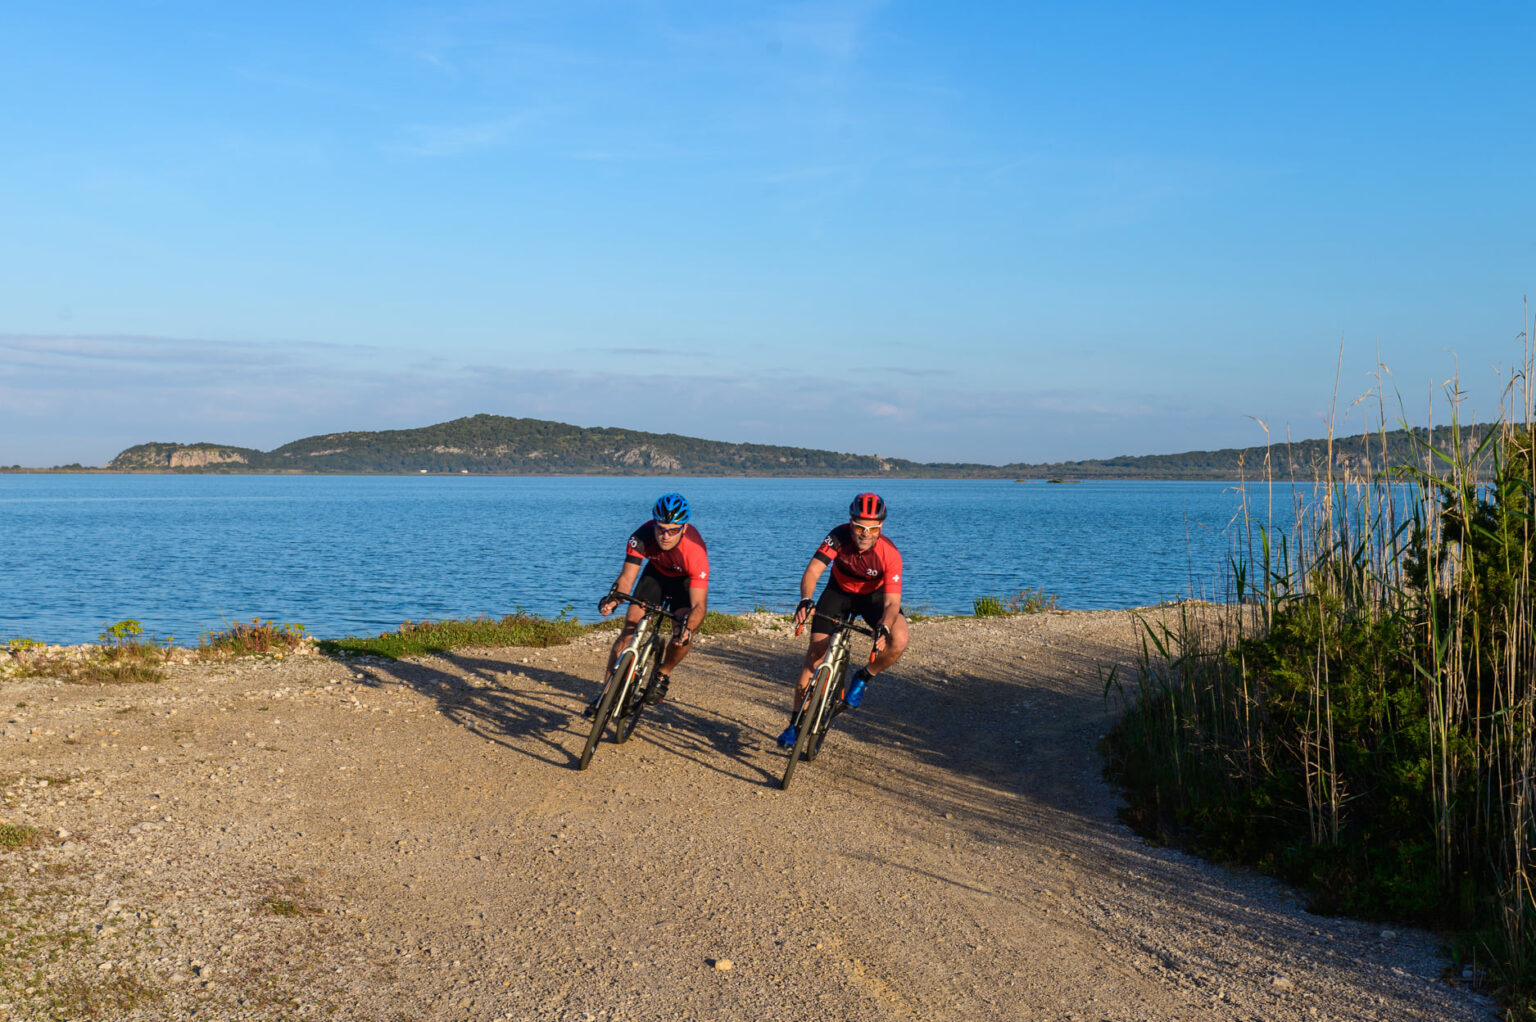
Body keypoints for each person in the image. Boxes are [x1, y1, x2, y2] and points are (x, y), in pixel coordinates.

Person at [778, 492, 909, 748]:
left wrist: (883, 626)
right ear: (851, 523)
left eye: (872, 529)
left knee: (899, 639)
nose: (864, 534)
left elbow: (892, 603)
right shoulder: (837, 537)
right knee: (815, 655)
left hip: (874, 598)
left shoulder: (890, 554)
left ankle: (864, 677)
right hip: (838, 593)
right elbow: (813, 570)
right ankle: (794, 724)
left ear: (881, 527)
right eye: (859, 527)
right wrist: (806, 599)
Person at [588, 492, 709, 713]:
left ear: (683, 528)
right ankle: (606, 694)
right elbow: (626, 579)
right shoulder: (641, 536)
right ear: (654, 524)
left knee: (682, 632)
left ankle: (663, 673)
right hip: (655, 575)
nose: (665, 535)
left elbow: (699, 606)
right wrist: (613, 600)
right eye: (661, 528)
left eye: (673, 530)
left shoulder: (695, 551)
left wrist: (688, 628)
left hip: (684, 583)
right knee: (630, 626)